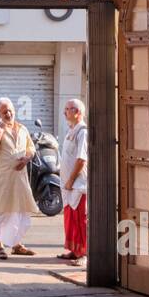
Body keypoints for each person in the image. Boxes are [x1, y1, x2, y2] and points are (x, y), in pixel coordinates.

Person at [0, 97, 39, 260]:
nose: (8, 114)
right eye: (4, 111)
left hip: (19, 178)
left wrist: (26, 159)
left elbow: (31, 149)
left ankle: (16, 245)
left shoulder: (22, 128)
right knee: (2, 211)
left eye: (10, 110)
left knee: (20, 211)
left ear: (14, 110)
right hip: (3, 178)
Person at [57, 98, 89, 265]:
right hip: (68, 185)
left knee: (80, 219)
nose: (65, 112)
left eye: (68, 109)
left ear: (78, 112)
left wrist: (70, 180)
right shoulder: (71, 131)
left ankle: (84, 254)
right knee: (70, 219)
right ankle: (74, 251)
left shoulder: (82, 132)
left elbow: (81, 160)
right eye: (65, 108)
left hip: (78, 184)